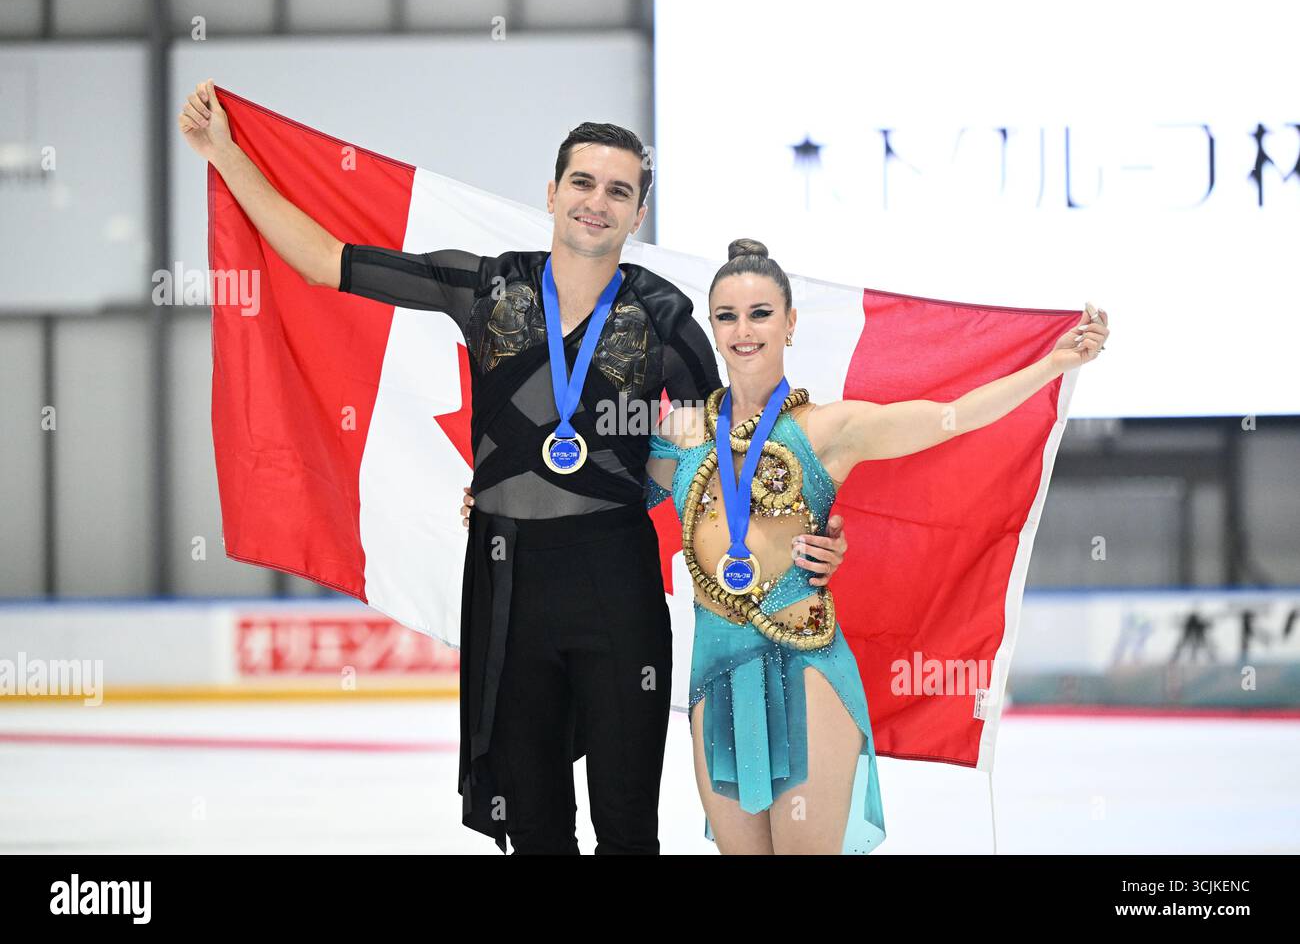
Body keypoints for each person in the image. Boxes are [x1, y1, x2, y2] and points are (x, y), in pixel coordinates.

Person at [177, 80, 851, 854]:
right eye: (583, 182)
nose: (597, 202)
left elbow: (734, 463)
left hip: (616, 581)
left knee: (627, 830)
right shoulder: (487, 284)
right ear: (554, 192)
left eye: (619, 191)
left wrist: (818, 536)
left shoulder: (666, 317)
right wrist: (225, 154)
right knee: (532, 830)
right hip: (505, 581)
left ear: (639, 214)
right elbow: (327, 262)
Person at [639, 238, 1109, 853]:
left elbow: (954, 416)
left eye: (760, 314)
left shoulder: (832, 429)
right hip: (714, 673)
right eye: (726, 316)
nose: (743, 330)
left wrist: (1053, 365)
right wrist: (488, 498)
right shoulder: (681, 432)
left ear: (790, 324)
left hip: (806, 667)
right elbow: (597, 495)